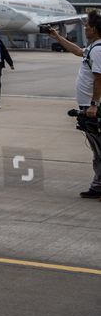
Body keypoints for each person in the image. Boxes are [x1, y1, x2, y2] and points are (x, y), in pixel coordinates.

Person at [43, 14, 101, 200]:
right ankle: (98, 186)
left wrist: (94, 105)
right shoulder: (93, 48)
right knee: (96, 149)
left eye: (87, 25)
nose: (85, 28)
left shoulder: (98, 50)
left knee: (100, 149)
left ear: (94, 29)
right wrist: (58, 37)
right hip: (88, 106)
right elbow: (77, 51)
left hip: (94, 107)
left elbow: (99, 79)